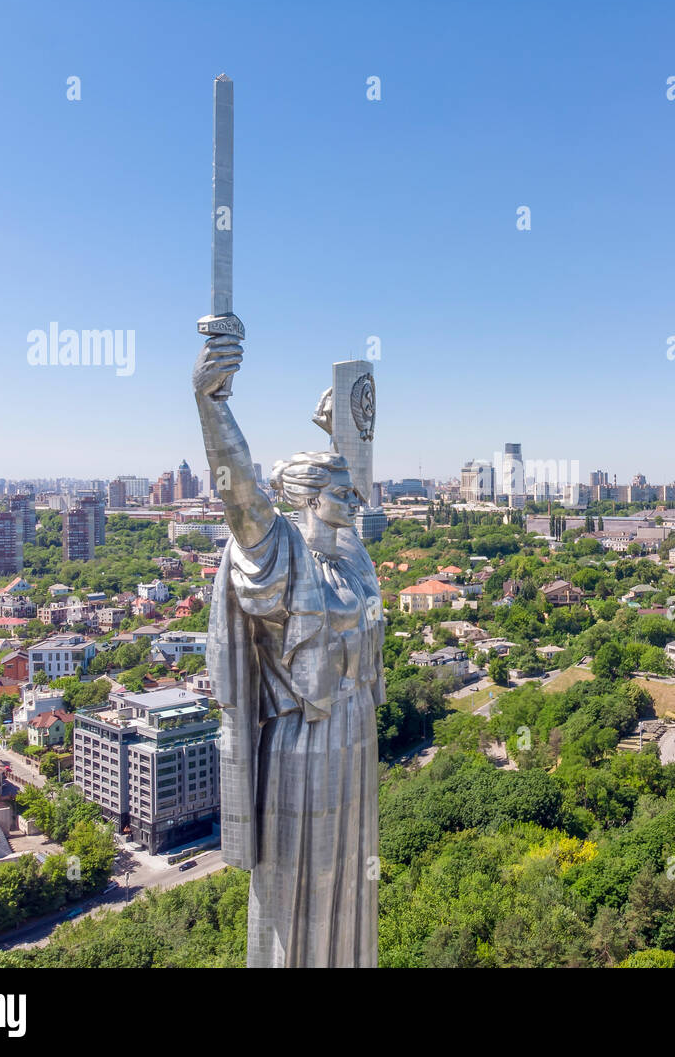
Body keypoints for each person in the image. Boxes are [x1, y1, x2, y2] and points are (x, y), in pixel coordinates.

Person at [194, 339, 382, 968]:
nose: (355, 503)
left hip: (354, 733)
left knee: (352, 883)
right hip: (306, 743)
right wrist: (212, 404)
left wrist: (340, 434)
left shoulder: (346, 554)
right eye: (341, 494)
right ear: (307, 500)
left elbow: (352, 495)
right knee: (300, 892)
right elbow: (242, 494)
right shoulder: (280, 558)